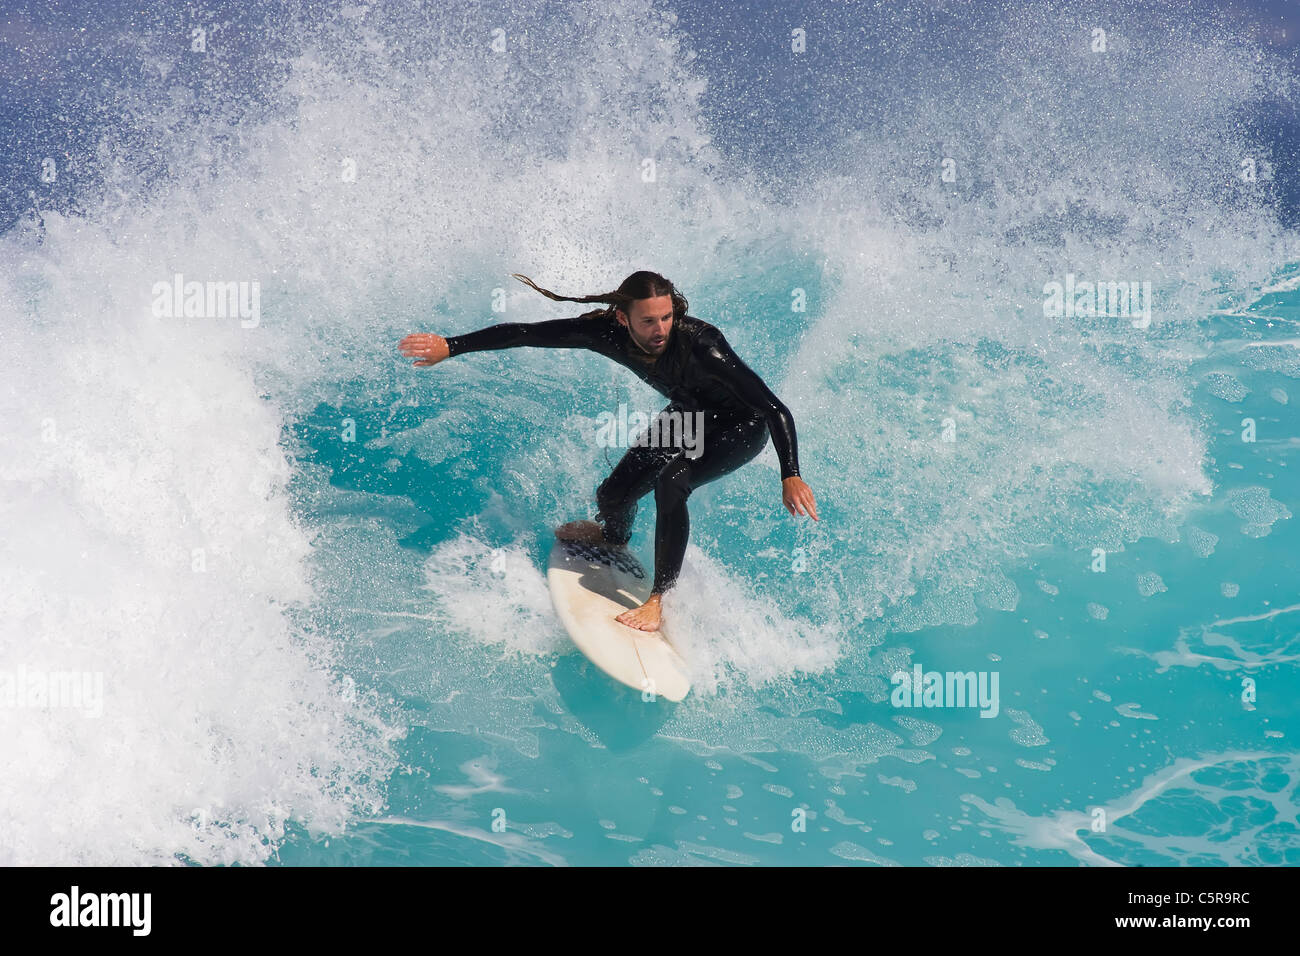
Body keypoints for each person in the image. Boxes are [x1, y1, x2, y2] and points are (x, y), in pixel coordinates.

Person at [398, 271, 817, 631]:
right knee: (613, 496)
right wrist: (452, 346)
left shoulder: (703, 347)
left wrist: (791, 473)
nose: (660, 330)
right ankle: (613, 540)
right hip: (689, 415)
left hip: (740, 426)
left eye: (668, 317)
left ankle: (660, 599)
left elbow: (773, 407)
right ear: (623, 318)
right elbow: (527, 332)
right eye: (648, 320)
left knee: (673, 482)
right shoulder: (603, 334)